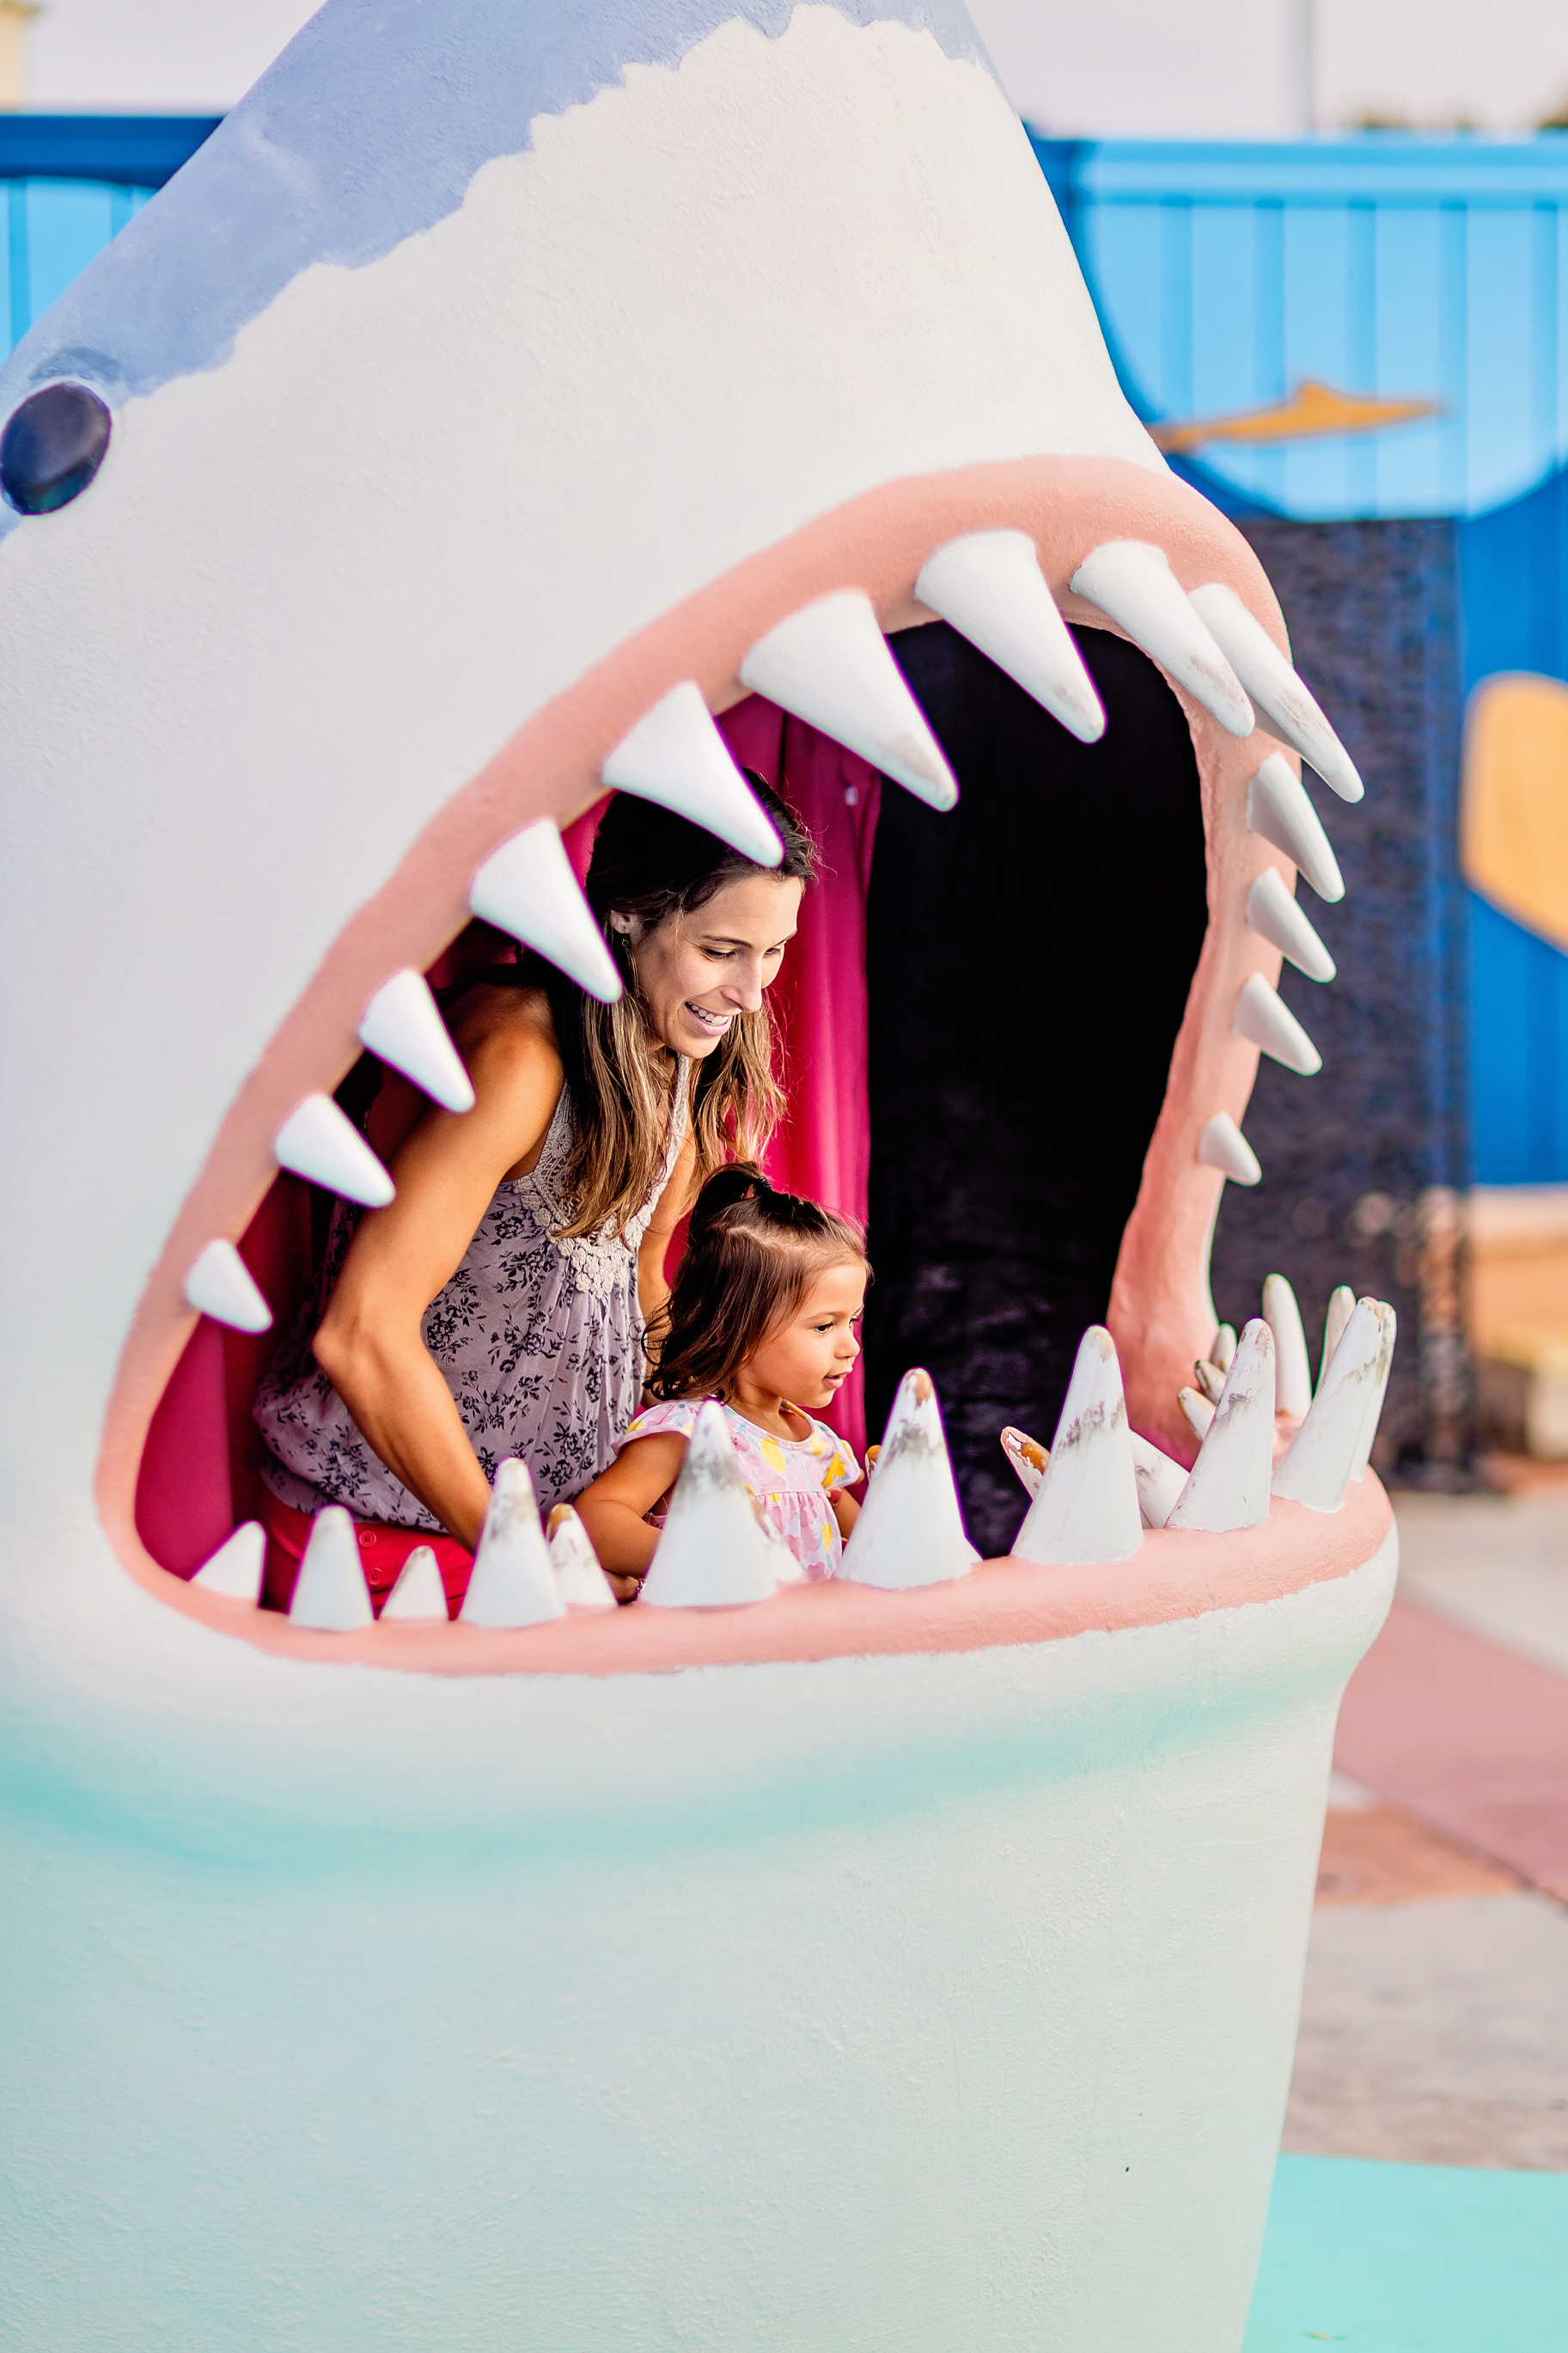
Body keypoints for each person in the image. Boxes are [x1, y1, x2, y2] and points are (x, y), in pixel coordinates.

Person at [252, 779, 817, 1614]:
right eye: (722, 948)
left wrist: (739, 1431)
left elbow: (639, 1283)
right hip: (383, 1541)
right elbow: (361, 1333)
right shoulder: (518, 1058)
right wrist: (522, 1561)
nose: (750, 990)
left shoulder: (674, 1043)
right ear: (627, 914)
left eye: (773, 951)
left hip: (552, 1534)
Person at [576, 1164, 867, 1594]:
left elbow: (871, 1546)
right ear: (738, 1328)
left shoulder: (819, 1444)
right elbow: (596, 1520)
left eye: (853, 1322)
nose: (851, 1347)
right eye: (825, 1326)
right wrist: (702, 1560)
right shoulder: (689, 1431)